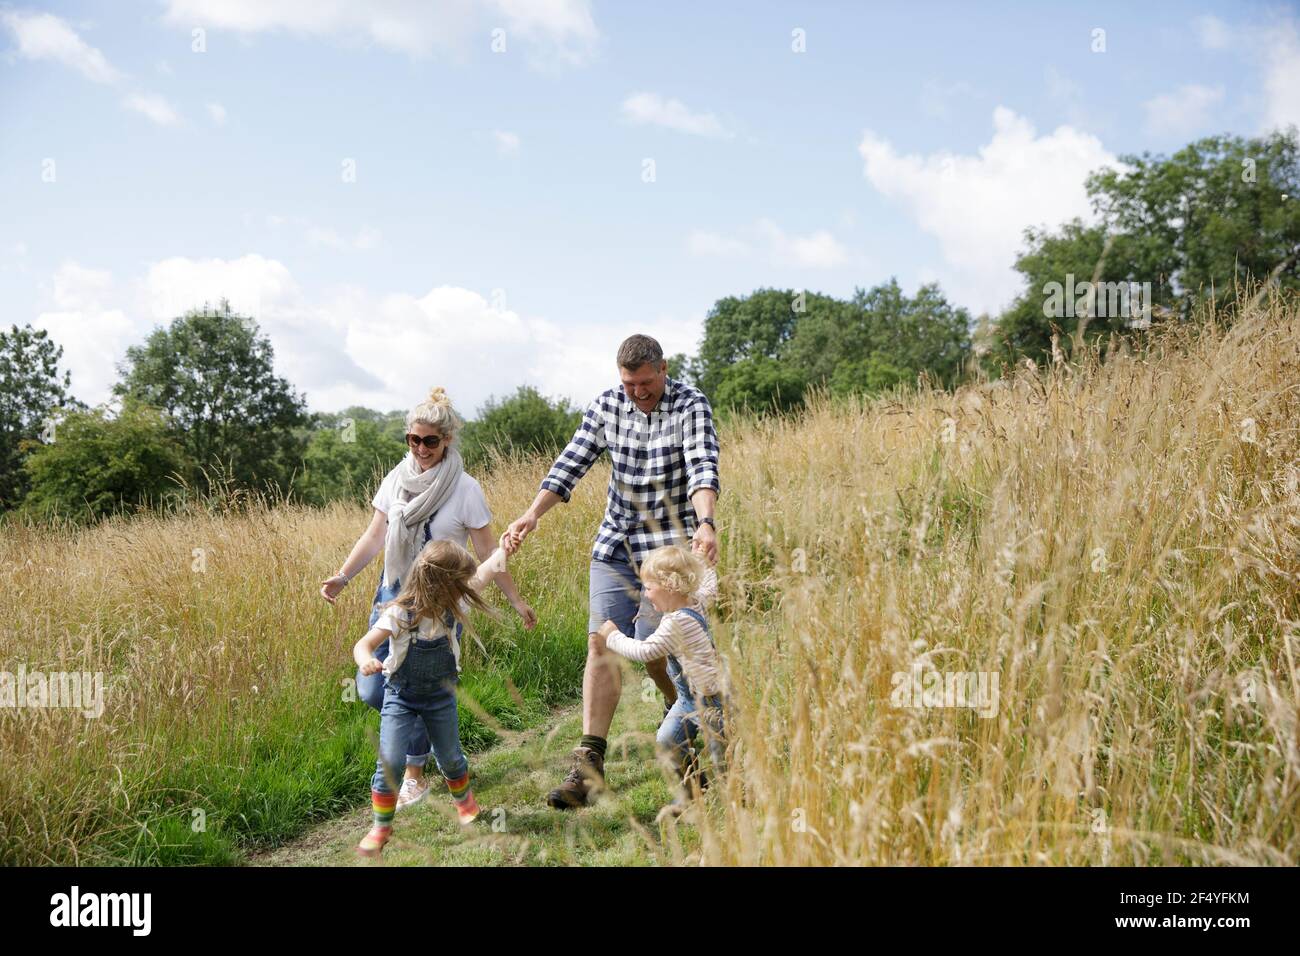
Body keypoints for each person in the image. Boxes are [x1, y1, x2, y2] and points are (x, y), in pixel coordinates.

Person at [505, 333, 720, 809]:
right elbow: (570, 465)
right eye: (629, 385)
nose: (638, 393)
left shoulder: (690, 405)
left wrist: (706, 522)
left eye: (645, 383)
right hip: (617, 545)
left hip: (668, 550)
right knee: (600, 642)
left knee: (657, 650)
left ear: (663, 369)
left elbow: (703, 465)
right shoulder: (606, 406)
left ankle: (683, 718)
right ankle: (587, 768)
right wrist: (531, 515)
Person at [321, 387, 535, 811]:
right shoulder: (396, 479)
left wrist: (514, 599)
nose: (421, 449)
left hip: (439, 607)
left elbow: (487, 556)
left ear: (447, 441)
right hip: (393, 596)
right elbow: (374, 535)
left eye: (430, 441)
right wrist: (343, 576)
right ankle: (438, 740)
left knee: (415, 683)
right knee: (371, 690)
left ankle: (414, 775)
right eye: (413, 440)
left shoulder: (466, 489)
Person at [352, 540, 508, 857]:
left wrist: (507, 546)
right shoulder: (399, 613)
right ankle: (381, 826)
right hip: (400, 698)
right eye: (461, 582)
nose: (467, 587)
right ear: (443, 584)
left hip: (441, 697)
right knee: (391, 761)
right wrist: (365, 659)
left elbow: (486, 572)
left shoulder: (454, 606)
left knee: (450, 757)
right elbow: (363, 644)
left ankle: (465, 804)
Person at [595, 545, 725, 816]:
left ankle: (733, 797)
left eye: (650, 587)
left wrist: (612, 636)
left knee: (721, 756)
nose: (646, 594)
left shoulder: (675, 623)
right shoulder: (695, 599)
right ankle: (691, 790)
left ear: (670, 586)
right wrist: (703, 560)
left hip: (713, 701)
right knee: (667, 741)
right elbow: (710, 586)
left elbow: (645, 651)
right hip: (688, 699)